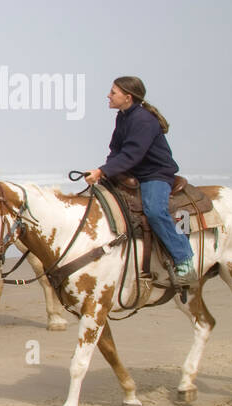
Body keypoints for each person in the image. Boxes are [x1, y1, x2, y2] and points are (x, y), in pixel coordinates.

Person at [84, 76, 197, 286]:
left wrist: (101, 171)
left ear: (128, 97)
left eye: (113, 92)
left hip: (155, 174)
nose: (108, 95)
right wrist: (106, 172)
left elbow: (131, 155)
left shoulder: (143, 120)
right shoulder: (123, 116)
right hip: (134, 171)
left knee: (154, 211)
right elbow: (116, 150)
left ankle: (185, 261)